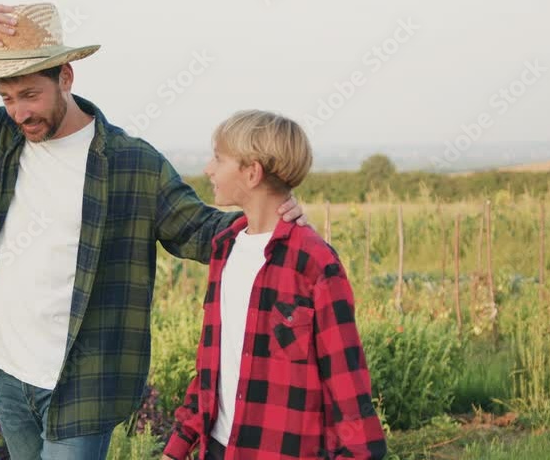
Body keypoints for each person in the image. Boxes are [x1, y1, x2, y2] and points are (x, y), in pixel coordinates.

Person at [0, 3, 306, 459]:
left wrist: (270, 214)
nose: (20, 113)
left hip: (83, 375)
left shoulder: (131, 162)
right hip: (8, 366)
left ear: (65, 77)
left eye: (30, 95)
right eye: (7, 98)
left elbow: (200, 230)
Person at [161, 111, 386, 460]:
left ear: (252, 173)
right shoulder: (224, 249)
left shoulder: (315, 263)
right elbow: (213, 365)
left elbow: (347, 385)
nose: (208, 168)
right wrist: (178, 445)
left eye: (219, 159)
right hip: (218, 449)